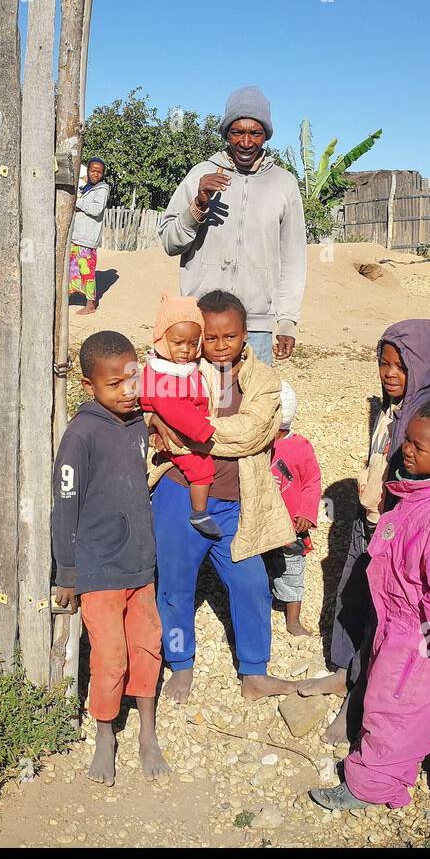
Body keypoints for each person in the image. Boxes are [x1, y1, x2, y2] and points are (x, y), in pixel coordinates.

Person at [310, 398, 430, 811]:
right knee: (384, 699)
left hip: (421, 641)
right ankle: (371, 766)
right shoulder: (420, 492)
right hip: (397, 623)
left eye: (419, 447)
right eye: (408, 440)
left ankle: (370, 788)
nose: (407, 449)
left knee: (397, 711)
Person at [298, 319, 430, 745]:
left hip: (393, 534)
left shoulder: (426, 417)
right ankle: (345, 673)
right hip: (369, 525)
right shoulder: (393, 408)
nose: (389, 374)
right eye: (384, 364)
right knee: (355, 596)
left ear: (425, 367)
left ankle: (358, 701)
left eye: (401, 367)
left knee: (381, 618)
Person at [147, 290, 297, 704]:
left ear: (245, 335)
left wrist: (182, 430)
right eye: (208, 338)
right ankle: (181, 663)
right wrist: (156, 416)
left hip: (234, 505)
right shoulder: (183, 368)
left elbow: (254, 433)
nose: (217, 346)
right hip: (179, 494)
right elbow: (145, 401)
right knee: (175, 587)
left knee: (250, 583)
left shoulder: (264, 382)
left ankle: (254, 670)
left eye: (228, 336)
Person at [52, 330, 169, 786]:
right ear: (89, 387)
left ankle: (147, 733)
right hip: (99, 567)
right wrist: (67, 568)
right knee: (110, 656)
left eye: (133, 379)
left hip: (140, 561)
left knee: (147, 646)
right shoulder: (80, 436)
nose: (128, 391)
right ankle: (105, 735)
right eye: (115, 384)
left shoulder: (138, 423)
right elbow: (65, 503)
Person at [158, 86, 306, 366]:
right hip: (202, 322)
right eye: (238, 132)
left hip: (256, 326)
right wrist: (199, 205)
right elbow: (168, 241)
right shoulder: (201, 174)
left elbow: (293, 258)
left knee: (253, 404)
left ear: (266, 136)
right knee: (200, 405)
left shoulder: (284, 184)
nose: (247, 142)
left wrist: (287, 321)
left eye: (256, 133)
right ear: (226, 133)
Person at [138, 294, 221, 539]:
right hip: (183, 431)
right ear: (161, 339)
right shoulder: (161, 375)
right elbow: (175, 410)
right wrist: (202, 431)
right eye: (178, 343)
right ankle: (199, 512)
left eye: (192, 343)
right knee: (201, 466)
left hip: (187, 426)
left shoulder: (178, 366)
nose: (185, 350)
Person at [265, 381, 321, 637]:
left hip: (290, 527)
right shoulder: (254, 443)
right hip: (260, 524)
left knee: (292, 571)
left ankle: (293, 620)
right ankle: (254, 615)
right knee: (258, 571)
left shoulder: (300, 447)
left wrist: (307, 513)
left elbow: (312, 481)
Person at [69, 157, 110, 314]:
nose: (96, 174)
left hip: (87, 239)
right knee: (73, 269)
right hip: (77, 236)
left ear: (103, 174)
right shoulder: (87, 188)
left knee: (87, 272)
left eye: (99, 172)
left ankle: (90, 305)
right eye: (93, 170)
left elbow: (96, 209)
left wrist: (77, 203)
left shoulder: (102, 190)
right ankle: (73, 296)